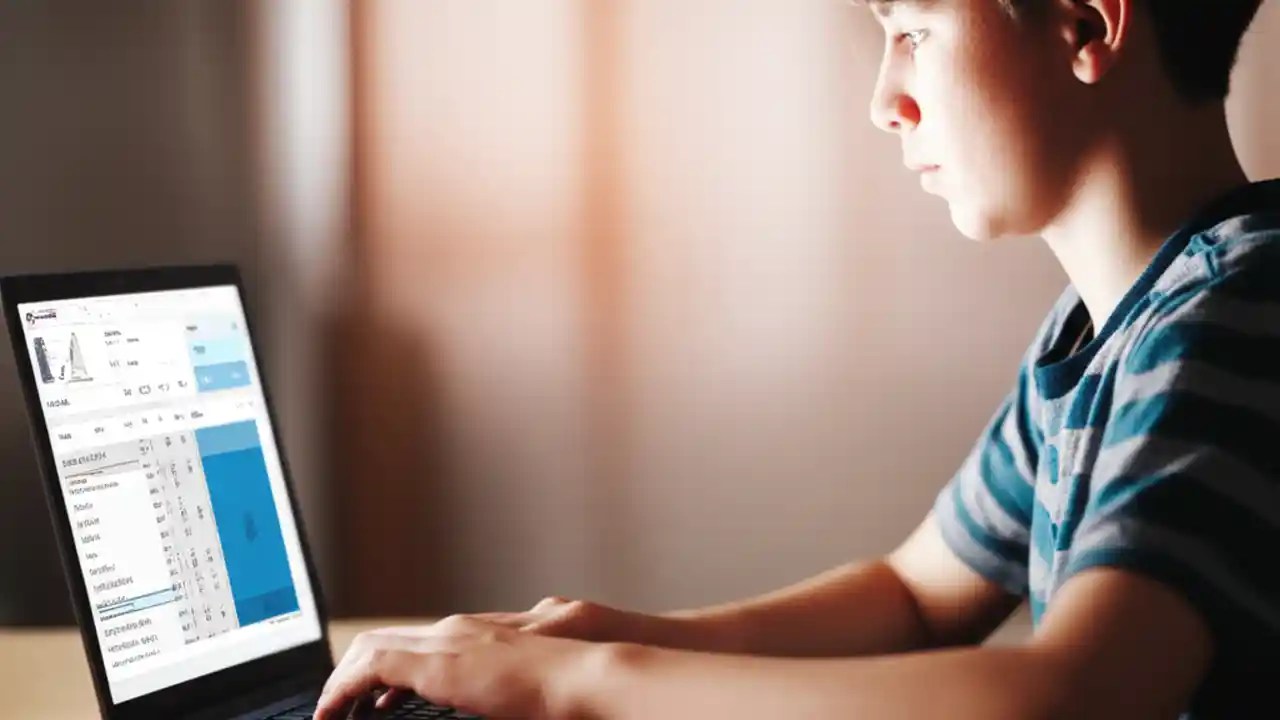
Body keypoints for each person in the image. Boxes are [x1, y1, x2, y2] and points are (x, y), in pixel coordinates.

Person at [315, 1, 1279, 717]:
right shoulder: (1105, 329)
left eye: (913, 32)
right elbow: (914, 596)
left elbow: (1062, 696)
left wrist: (579, 685)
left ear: (1084, 24)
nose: (883, 100)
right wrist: (599, 631)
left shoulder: (1233, 321)